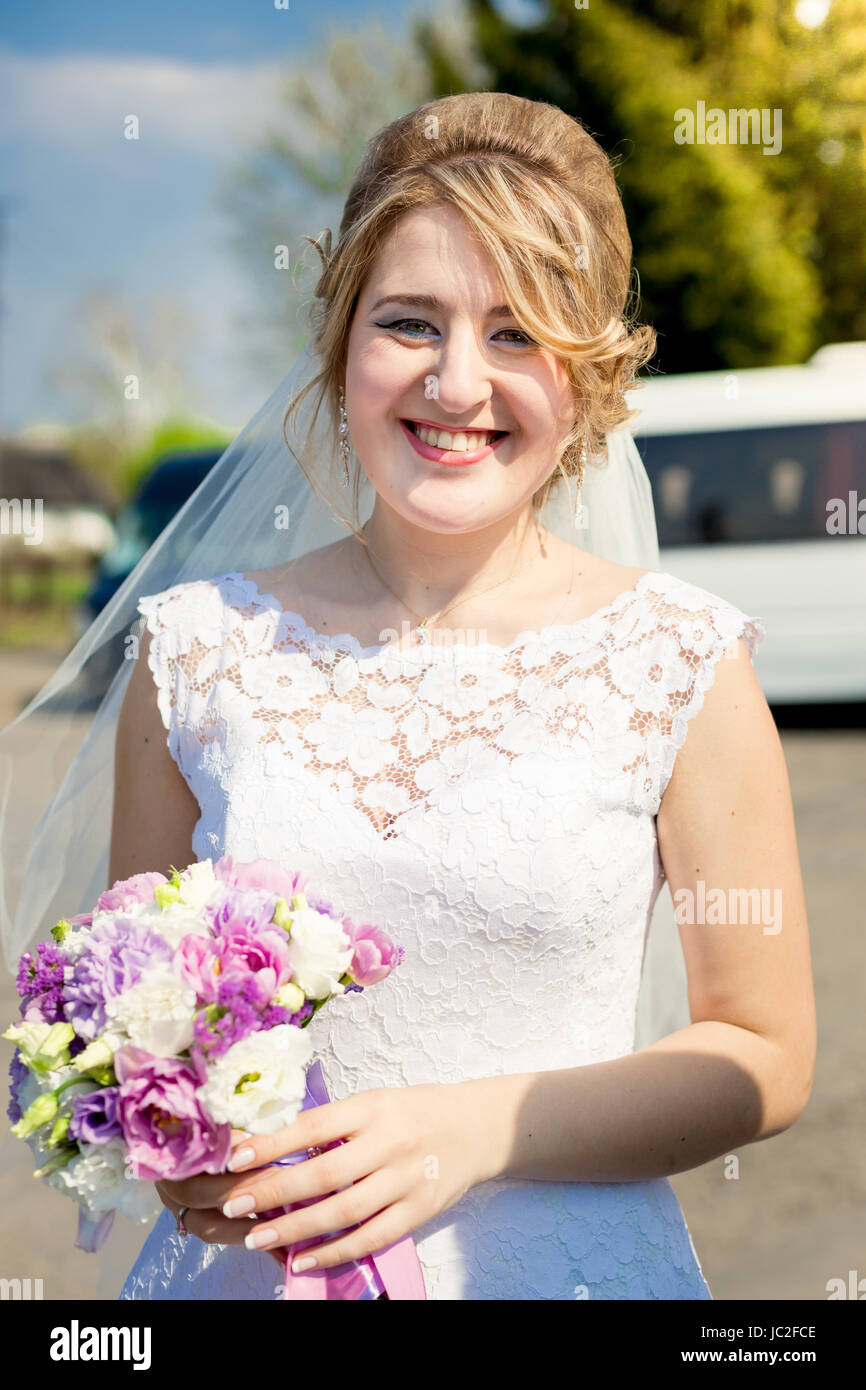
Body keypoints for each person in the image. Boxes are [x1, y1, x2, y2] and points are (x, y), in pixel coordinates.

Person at [18, 91, 818, 1301]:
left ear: (587, 376)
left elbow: (763, 1052)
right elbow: (146, 1020)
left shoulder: (680, 662)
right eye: (409, 321)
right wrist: (165, 1134)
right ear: (341, 342)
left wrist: (474, 1129)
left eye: (515, 333)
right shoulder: (191, 653)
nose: (455, 382)